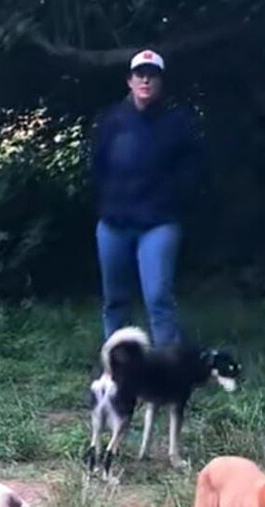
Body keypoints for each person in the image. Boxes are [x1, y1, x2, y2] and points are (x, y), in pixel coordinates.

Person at [90, 48, 204, 348]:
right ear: (129, 80)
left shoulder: (178, 122)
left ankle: (167, 369)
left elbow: (192, 170)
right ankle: (117, 369)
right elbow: (96, 165)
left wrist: (172, 200)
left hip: (158, 224)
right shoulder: (111, 120)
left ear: (160, 83)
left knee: (158, 298)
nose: (145, 81)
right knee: (115, 300)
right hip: (114, 224)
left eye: (152, 76)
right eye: (140, 75)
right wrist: (106, 203)